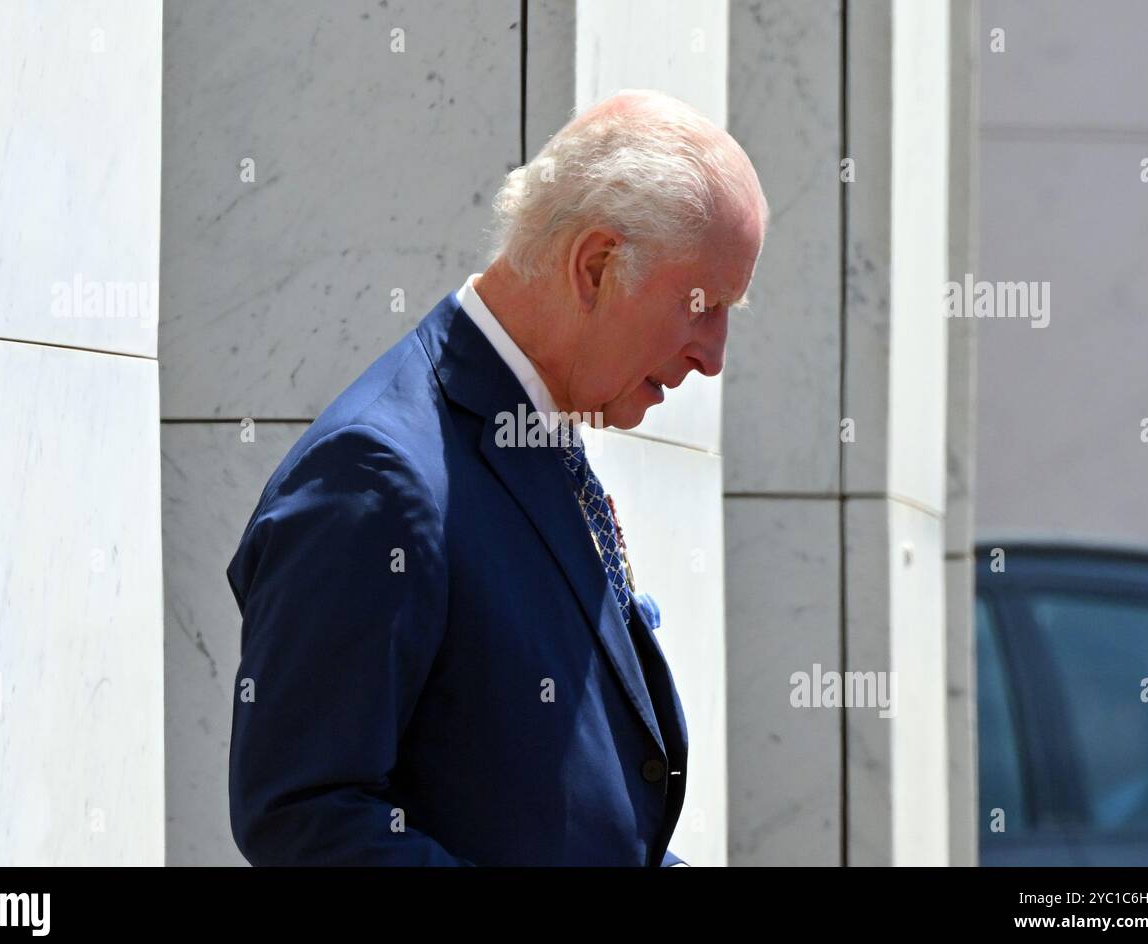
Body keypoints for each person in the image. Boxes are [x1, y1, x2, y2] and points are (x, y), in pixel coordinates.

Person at [226, 88, 768, 865]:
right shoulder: (378, 473)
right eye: (702, 304)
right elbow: (304, 817)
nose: (712, 356)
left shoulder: (535, 428)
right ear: (597, 266)